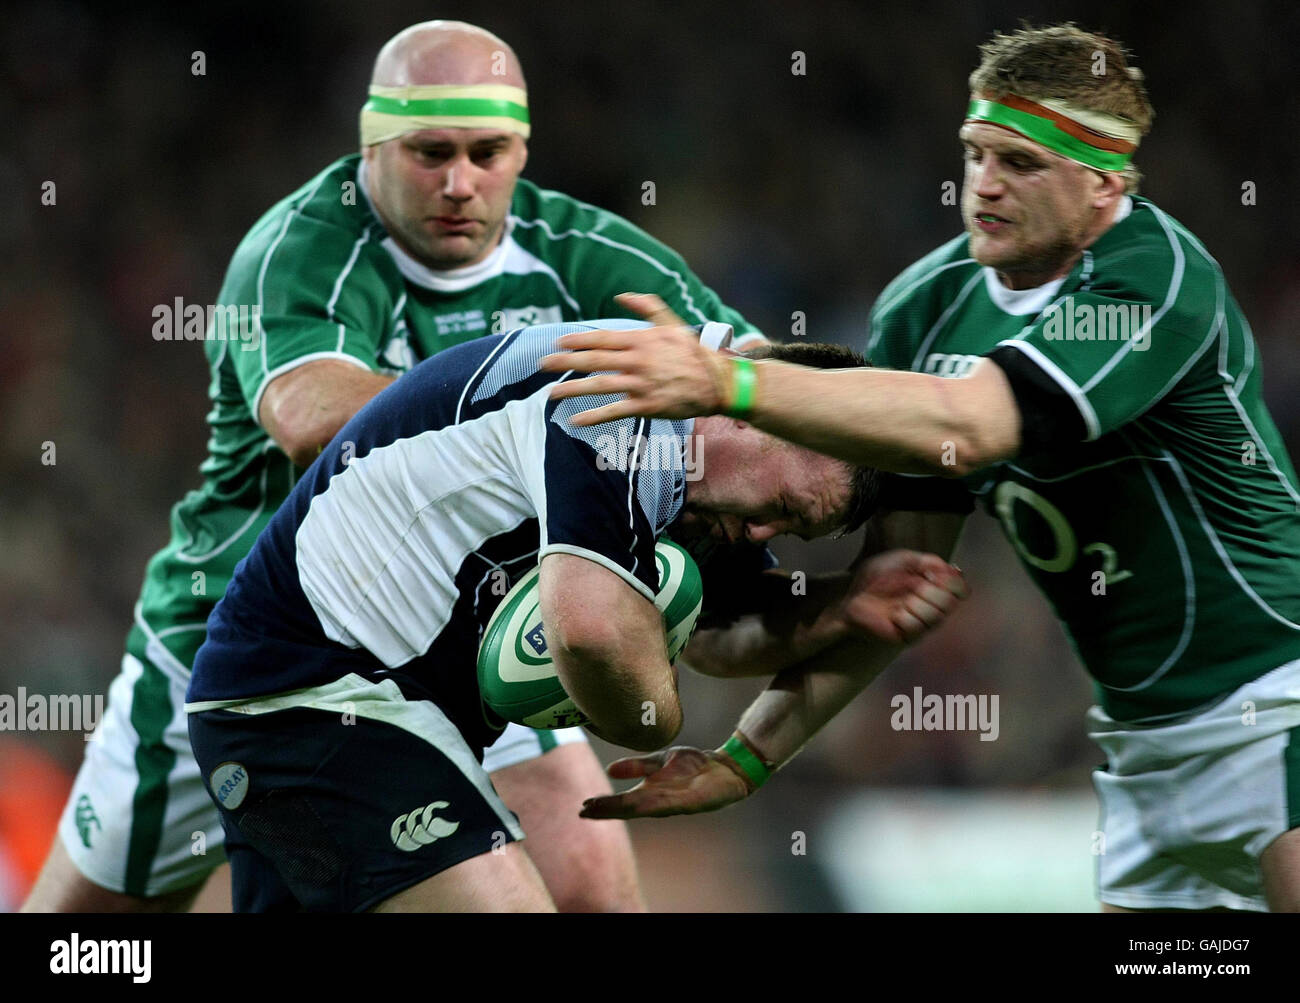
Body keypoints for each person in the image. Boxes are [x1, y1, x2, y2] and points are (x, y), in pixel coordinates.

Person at [544, 25, 1300, 913]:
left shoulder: (1156, 278)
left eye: (1021, 163)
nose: (984, 183)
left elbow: (976, 421)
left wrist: (728, 381)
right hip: (1143, 756)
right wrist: (745, 759)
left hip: (1277, 706)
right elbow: (894, 589)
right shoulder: (926, 309)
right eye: (976, 153)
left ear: (1105, 181)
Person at [24, 19, 765, 914]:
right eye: (429, 153)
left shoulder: (586, 254)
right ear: (371, 146)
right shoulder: (303, 247)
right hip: (243, 652)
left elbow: (758, 379)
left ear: (523, 150)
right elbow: (308, 416)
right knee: (85, 942)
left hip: (462, 640)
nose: (460, 182)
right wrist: (541, 409)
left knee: (593, 895)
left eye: (487, 152)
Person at [184, 319, 966, 912]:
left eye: (789, 532)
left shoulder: (699, 474)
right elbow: (592, 633)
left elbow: (718, 638)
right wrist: (661, 721)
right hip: (312, 698)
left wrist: (840, 609)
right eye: (782, 507)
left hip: (352, 713)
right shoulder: (624, 392)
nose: (761, 533)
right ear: (757, 413)